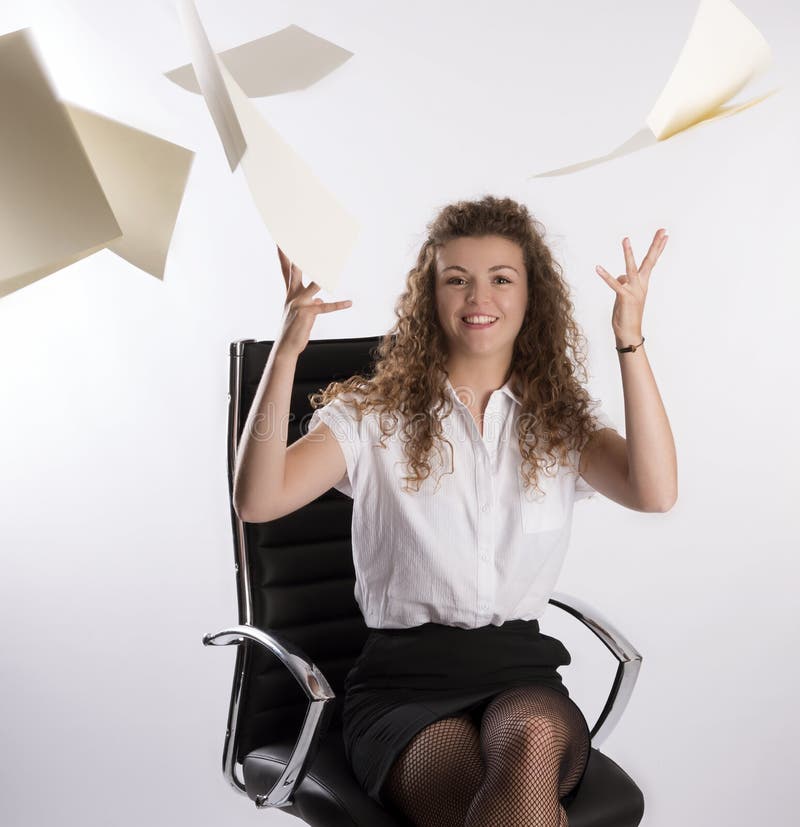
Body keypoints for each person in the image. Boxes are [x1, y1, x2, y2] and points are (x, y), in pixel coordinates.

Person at [232, 195, 677, 827]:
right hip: (402, 690)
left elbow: (654, 491)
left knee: (528, 742)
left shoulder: (559, 422)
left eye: (501, 278)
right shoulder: (371, 417)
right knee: (493, 806)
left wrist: (629, 341)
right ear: (430, 296)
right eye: (457, 279)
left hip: (525, 680)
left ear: (531, 297)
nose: (479, 297)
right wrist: (286, 354)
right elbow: (259, 498)